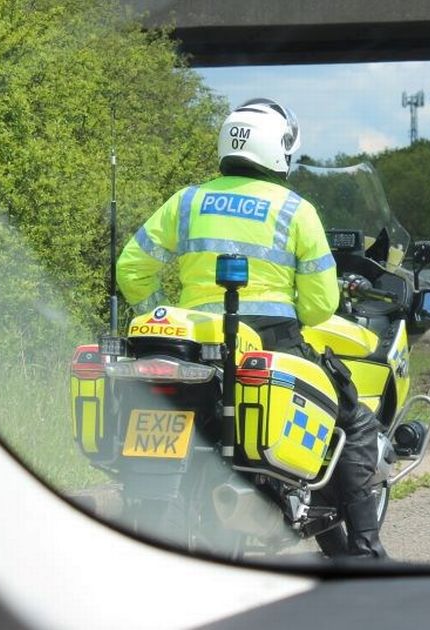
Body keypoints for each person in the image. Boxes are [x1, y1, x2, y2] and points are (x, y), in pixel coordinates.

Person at [115, 98, 387, 558]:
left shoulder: (187, 201)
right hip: (272, 343)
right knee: (354, 420)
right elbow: (323, 303)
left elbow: (132, 266)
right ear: (278, 148)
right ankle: (365, 553)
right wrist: (293, 312)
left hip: (189, 347)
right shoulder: (294, 211)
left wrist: (159, 313)